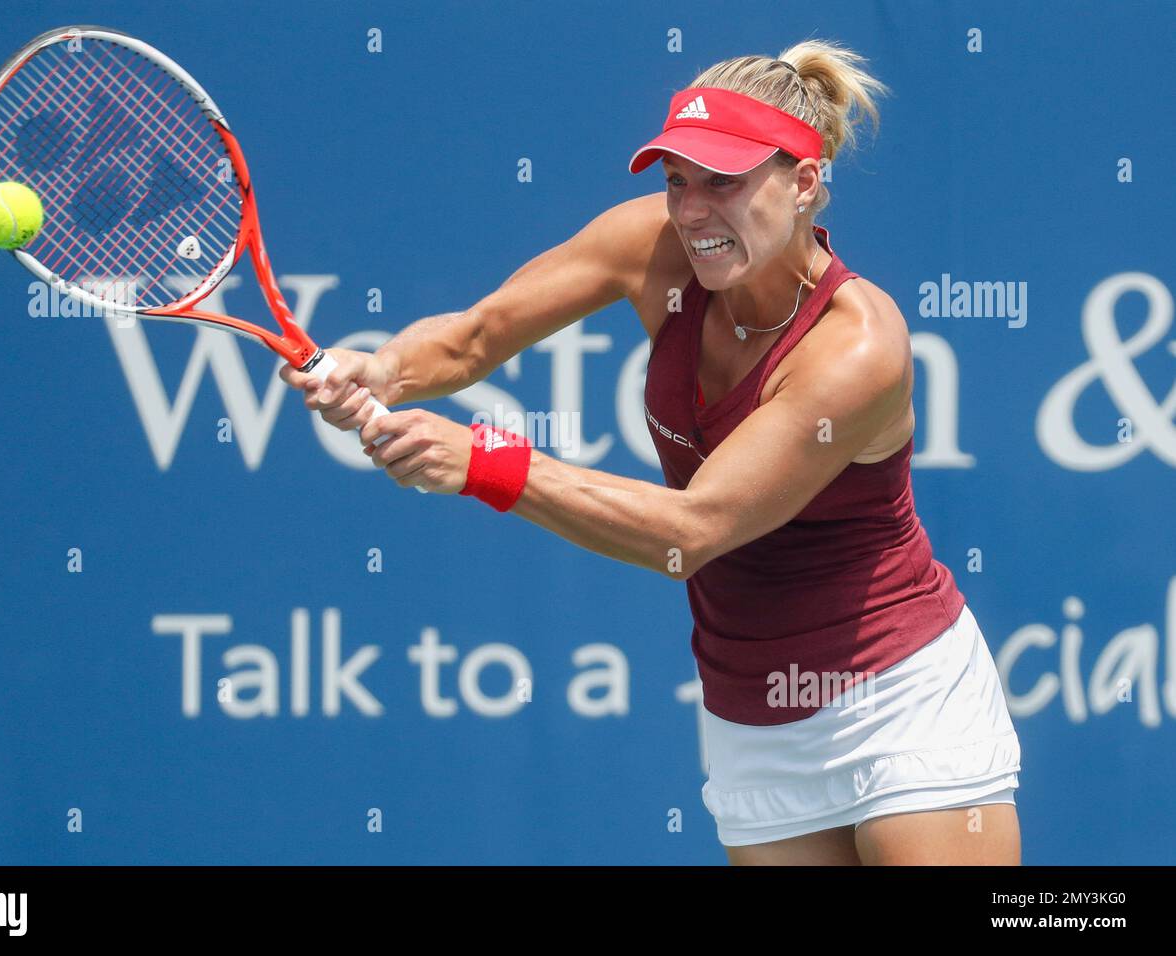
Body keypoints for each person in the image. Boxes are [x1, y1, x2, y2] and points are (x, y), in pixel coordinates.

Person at [280, 40, 1023, 866]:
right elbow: (474, 337)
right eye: (677, 182)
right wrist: (378, 367)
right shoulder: (650, 248)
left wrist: (485, 462)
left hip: (902, 696)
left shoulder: (858, 346)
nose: (693, 211)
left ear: (806, 183)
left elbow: (694, 531)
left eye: (725, 183)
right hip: (749, 712)